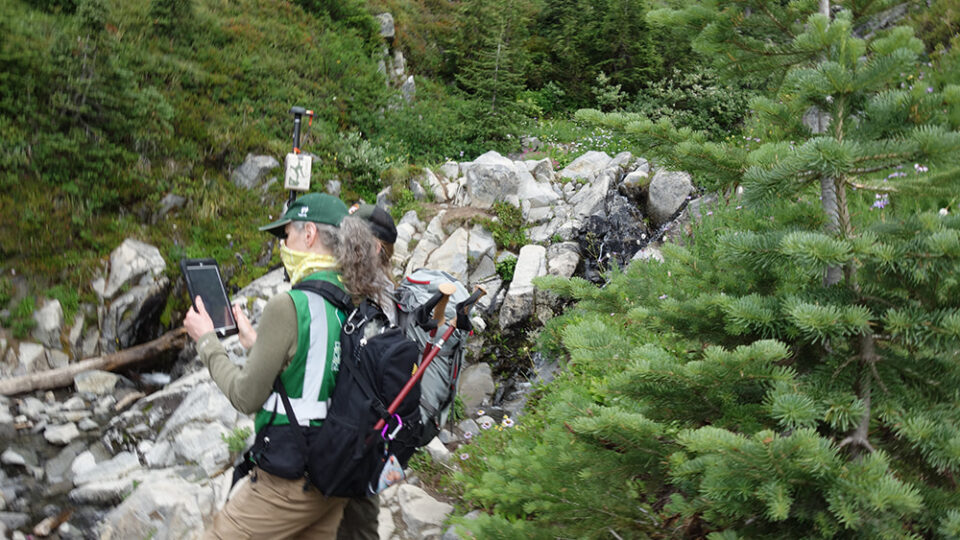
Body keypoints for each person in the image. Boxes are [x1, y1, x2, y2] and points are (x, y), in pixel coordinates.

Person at [184, 193, 386, 539]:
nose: (283, 245)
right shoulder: (355, 299)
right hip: (334, 475)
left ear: (308, 234)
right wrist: (256, 341)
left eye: (286, 235)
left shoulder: (288, 305)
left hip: (289, 481)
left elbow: (245, 396)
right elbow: (317, 367)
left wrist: (206, 341)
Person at [336, 203, 398, 540]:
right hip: (358, 431)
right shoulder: (367, 289)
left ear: (375, 247)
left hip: (361, 433)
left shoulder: (377, 300)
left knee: (358, 524)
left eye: (354, 238)